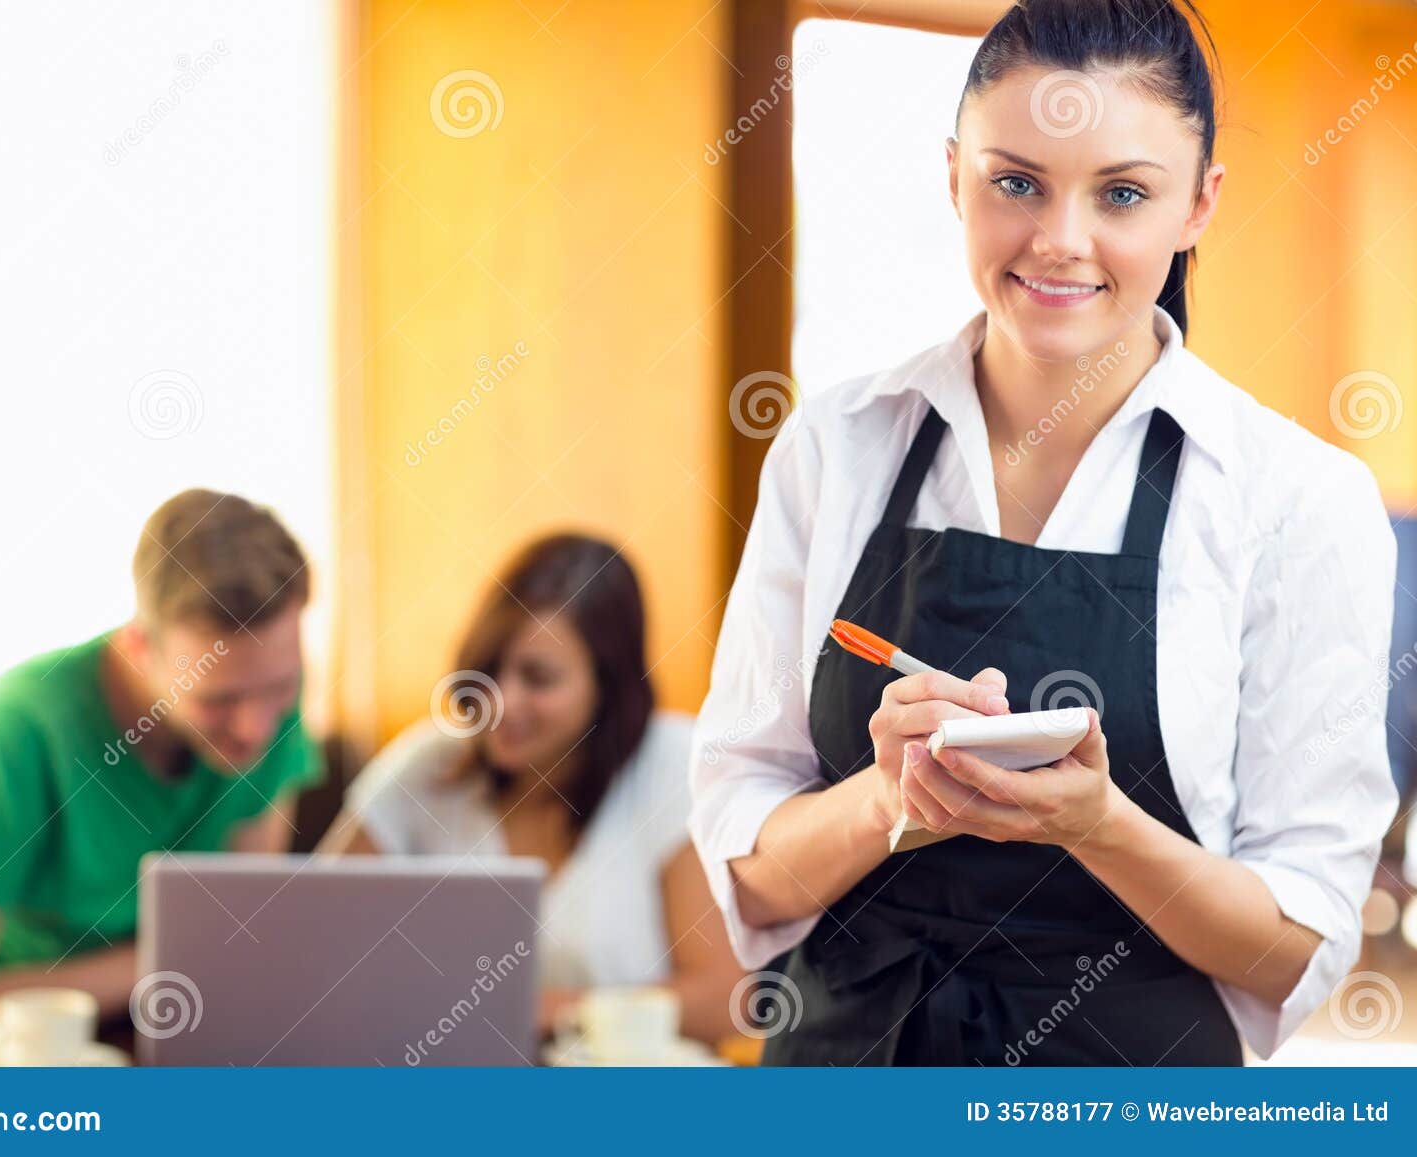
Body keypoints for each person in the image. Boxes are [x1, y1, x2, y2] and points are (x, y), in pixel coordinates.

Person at [689, 0, 1397, 1066]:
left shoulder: (1297, 499)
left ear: (1199, 205)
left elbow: (1295, 947)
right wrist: (891, 795)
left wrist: (1094, 822)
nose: (1059, 240)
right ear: (952, 176)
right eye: (1014, 181)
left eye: (1121, 193)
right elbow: (748, 874)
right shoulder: (837, 445)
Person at [0, 489, 322, 1066]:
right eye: (217, 699)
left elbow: (236, 933)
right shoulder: (17, 734)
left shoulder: (263, 696)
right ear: (138, 647)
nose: (255, 728)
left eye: (280, 687)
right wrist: (165, 962)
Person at [320, 533, 744, 1046]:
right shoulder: (427, 766)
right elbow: (314, 940)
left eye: (538, 678)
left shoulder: (673, 764)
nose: (500, 702)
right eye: (489, 668)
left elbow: (725, 997)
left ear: (606, 687)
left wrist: (540, 1012)